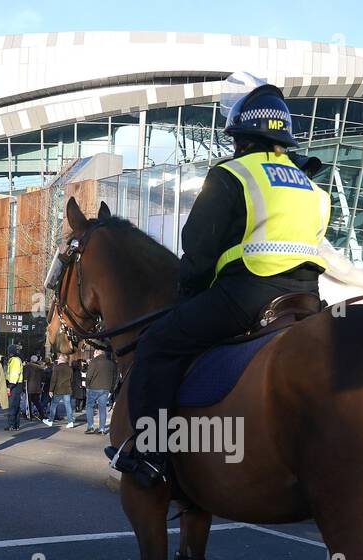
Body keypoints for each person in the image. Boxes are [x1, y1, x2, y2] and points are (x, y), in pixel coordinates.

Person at [112, 78, 329, 487]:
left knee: (158, 345)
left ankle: (150, 454)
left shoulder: (232, 174)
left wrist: (188, 297)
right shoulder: (313, 186)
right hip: (306, 299)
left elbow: (198, 249)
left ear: (241, 137)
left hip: (245, 294)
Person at [85, 349, 116, 435]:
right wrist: (112, 388)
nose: (93, 354)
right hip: (105, 388)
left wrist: (87, 386)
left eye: (94, 353)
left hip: (94, 387)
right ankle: (101, 429)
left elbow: (89, 376)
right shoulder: (111, 363)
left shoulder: (94, 362)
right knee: (102, 409)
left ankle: (90, 427)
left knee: (89, 406)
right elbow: (115, 377)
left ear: (98, 354)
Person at [43, 355, 76, 428]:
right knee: (68, 406)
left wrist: (51, 390)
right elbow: (71, 380)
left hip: (58, 389)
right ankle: (70, 422)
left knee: (54, 405)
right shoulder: (70, 368)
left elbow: (53, 380)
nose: (58, 359)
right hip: (67, 389)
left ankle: (50, 420)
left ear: (61, 360)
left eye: (59, 358)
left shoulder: (57, 368)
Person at [5, 344, 26, 430]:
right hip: (17, 385)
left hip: (14, 385)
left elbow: (14, 374)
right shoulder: (17, 360)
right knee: (16, 406)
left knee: (12, 406)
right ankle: (15, 425)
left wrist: (10, 386)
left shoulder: (14, 361)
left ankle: (11, 425)